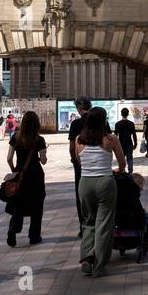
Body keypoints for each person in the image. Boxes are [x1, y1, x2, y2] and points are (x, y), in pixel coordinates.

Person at [75, 107, 126, 276]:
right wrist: (118, 170)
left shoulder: (79, 140)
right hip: (105, 181)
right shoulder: (111, 139)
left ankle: (87, 257)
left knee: (88, 221)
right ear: (104, 121)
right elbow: (122, 163)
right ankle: (99, 265)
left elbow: (80, 162)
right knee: (104, 223)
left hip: (85, 183)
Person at [5, 111, 48, 247]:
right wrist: (44, 152)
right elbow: (43, 161)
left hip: (21, 176)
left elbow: (9, 158)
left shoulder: (16, 138)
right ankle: (34, 236)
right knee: (37, 204)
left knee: (19, 203)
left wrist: (14, 171)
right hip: (35, 175)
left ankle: (13, 229)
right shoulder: (39, 139)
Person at [68, 96, 92, 236]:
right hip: (98, 162)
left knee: (81, 195)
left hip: (81, 164)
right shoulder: (100, 121)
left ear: (79, 108)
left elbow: (72, 147)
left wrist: (74, 160)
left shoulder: (76, 124)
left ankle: (83, 226)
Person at [114, 108, 138, 174]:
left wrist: (114, 146)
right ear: (128, 114)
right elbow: (134, 134)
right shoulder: (131, 124)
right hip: (129, 144)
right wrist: (135, 143)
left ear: (121, 114)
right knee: (130, 159)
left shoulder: (118, 124)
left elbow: (115, 136)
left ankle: (123, 172)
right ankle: (130, 172)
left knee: (122, 159)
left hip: (120, 144)